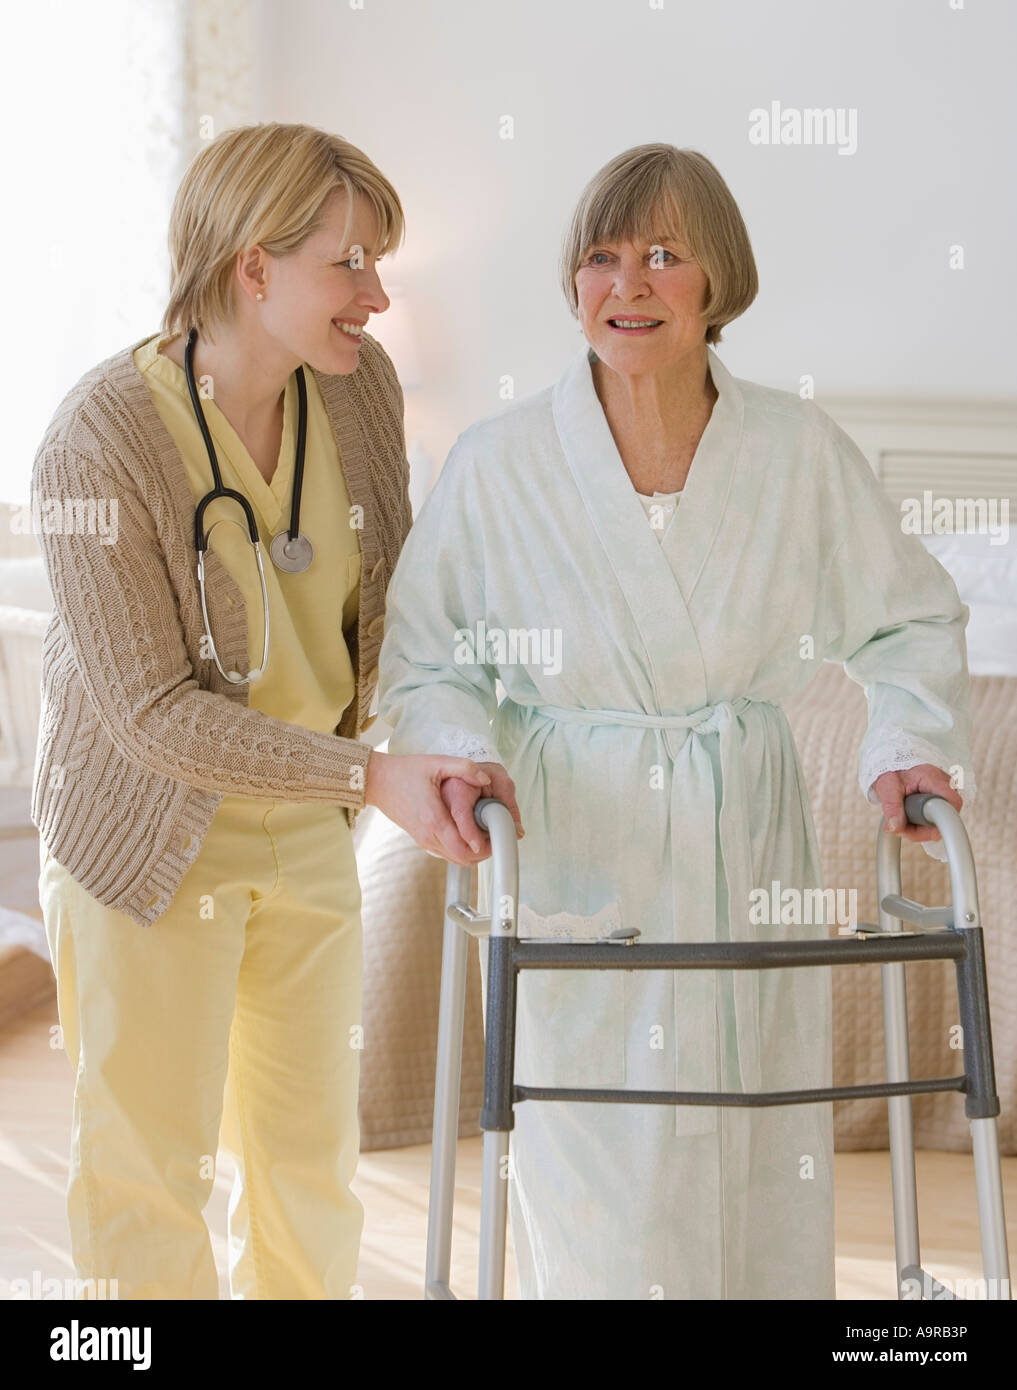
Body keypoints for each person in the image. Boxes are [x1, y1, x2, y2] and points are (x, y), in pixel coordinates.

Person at [376, 143, 973, 1300]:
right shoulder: (499, 465)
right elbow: (430, 654)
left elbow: (907, 619)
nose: (627, 285)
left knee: (757, 1137)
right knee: (599, 1156)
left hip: (742, 834)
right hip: (579, 846)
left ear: (719, 282)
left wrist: (903, 746)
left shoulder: (796, 452)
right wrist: (461, 758)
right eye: (601, 258)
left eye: (662, 255)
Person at [31, 121, 512, 1300]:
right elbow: (149, 709)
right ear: (255, 267)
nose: (380, 296)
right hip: (147, 838)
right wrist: (372, 777)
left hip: (306, 827)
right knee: (148, 1169)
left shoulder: (355, 397)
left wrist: (454, 729)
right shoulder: (98, 439)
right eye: (351, 264)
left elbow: (394, 603)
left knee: (308, 1168)